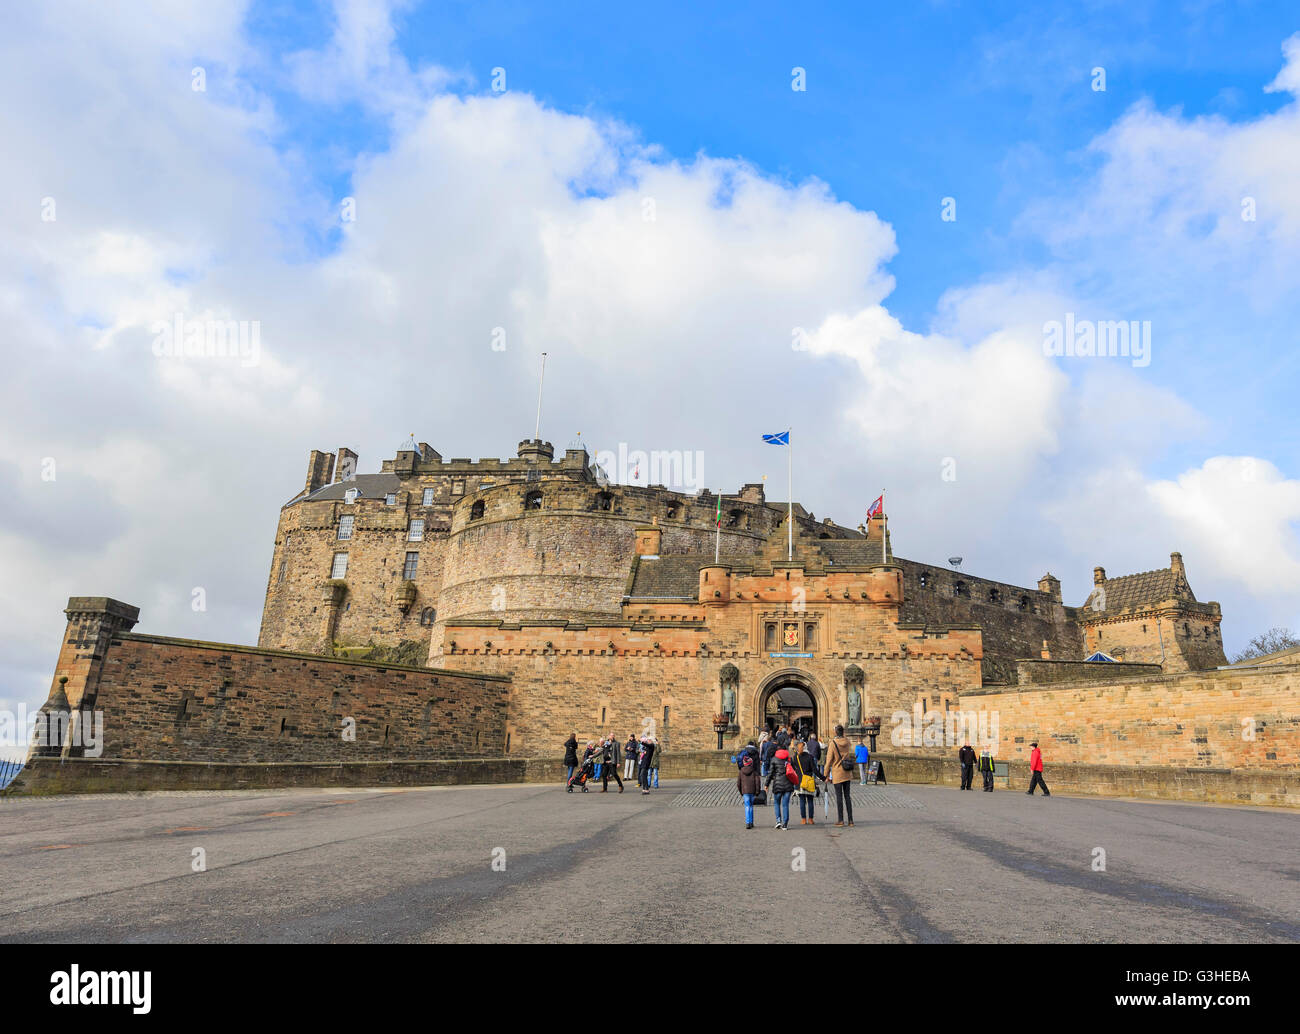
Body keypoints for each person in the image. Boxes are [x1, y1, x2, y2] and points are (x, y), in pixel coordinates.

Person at [823, 724, 855, 827]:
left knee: (839, 797)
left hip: (837, 772)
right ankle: (850, 820)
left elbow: (828, 761)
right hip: (847, 772)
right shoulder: (847, 742)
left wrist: (825, 775)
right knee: (847, 796)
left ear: (836, 732)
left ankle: (841, 820)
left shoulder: (833, 743)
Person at [765, 744, 795, 829]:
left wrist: (766, 784)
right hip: (788, 784)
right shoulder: (789, 759)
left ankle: (778, 821)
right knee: (785, 805)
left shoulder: (774, 759)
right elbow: (793, 771)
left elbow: (770, 773)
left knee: (777, 803)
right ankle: (785, 824)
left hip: (777, 784)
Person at [792, 740, 819, 825]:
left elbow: (793, 769)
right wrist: (824, 778)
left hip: (800, 782)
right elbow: (815, 770)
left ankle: (803, 819)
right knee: (810, 801)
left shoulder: (795, 757)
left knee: (802, 801)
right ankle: (810, 819)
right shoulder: (810, 757)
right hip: (809, 781)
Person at [737, 746, 762, 829]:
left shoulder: (741, 772)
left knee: (747, 806)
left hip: (745, 791)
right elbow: (757, 782)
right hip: (752, 791)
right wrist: (757, 791)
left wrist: (741, 791)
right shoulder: (754, 772)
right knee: (751, 806)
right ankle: (751, 822)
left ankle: (748, 822)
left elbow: (738, 783)